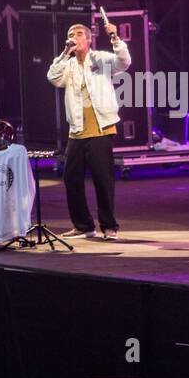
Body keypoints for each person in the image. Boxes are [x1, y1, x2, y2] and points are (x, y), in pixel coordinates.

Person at [46, 19, 131, 240]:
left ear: (88, 38)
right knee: (71, 178)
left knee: (103, 180)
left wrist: (115, 38)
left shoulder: (100, 58)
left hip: (100, 129)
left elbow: (124, 62)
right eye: (70, 34)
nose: (74, 37)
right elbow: (52, 77)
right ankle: (84, 226)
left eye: (78, 34)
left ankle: (109, 226)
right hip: (77, 130)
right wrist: (65, 53)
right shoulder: (68, 65)